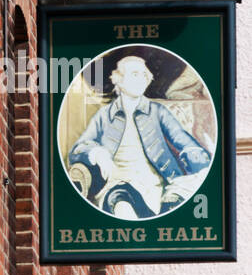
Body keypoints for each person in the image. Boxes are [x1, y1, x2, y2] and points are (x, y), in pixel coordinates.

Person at [67, 55, 210, 218]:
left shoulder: (158, 111)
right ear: (118, 80)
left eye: (144, 74)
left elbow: (183, 141)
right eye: (135, 74)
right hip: (118, 183)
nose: (141, 78)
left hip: (158, 184)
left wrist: (200, 162)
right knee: (122, 206)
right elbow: (80, 147)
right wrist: (97, 153)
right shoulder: (104, 115)